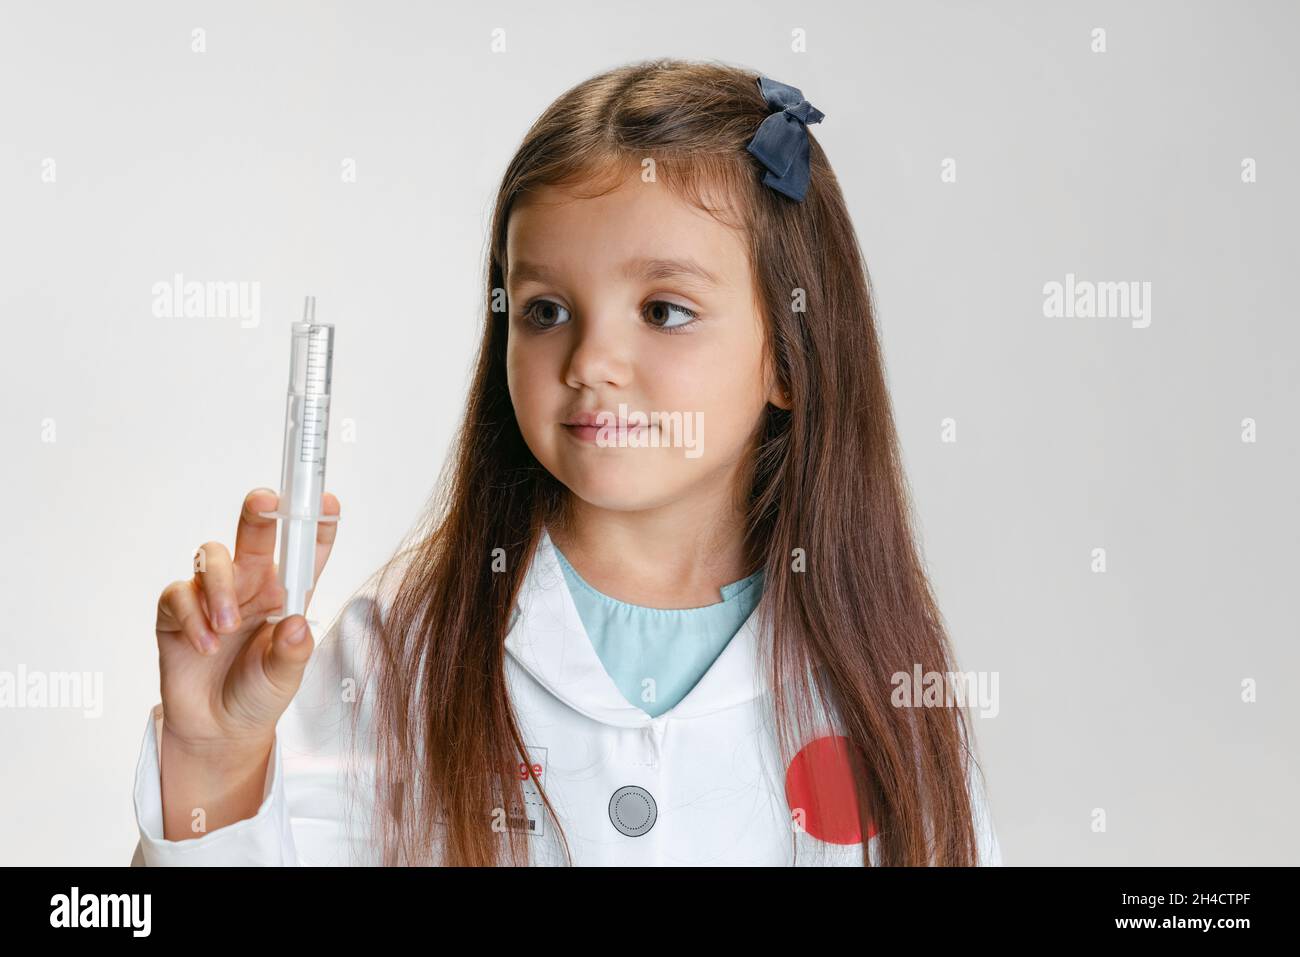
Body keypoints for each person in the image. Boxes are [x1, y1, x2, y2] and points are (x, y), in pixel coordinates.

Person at [133, 58, 1002, 866]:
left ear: (788, 356)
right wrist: (213, 762)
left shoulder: (876, 667)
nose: (590, 361)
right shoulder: (403, 649)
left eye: (663, 311)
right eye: (546, 310)